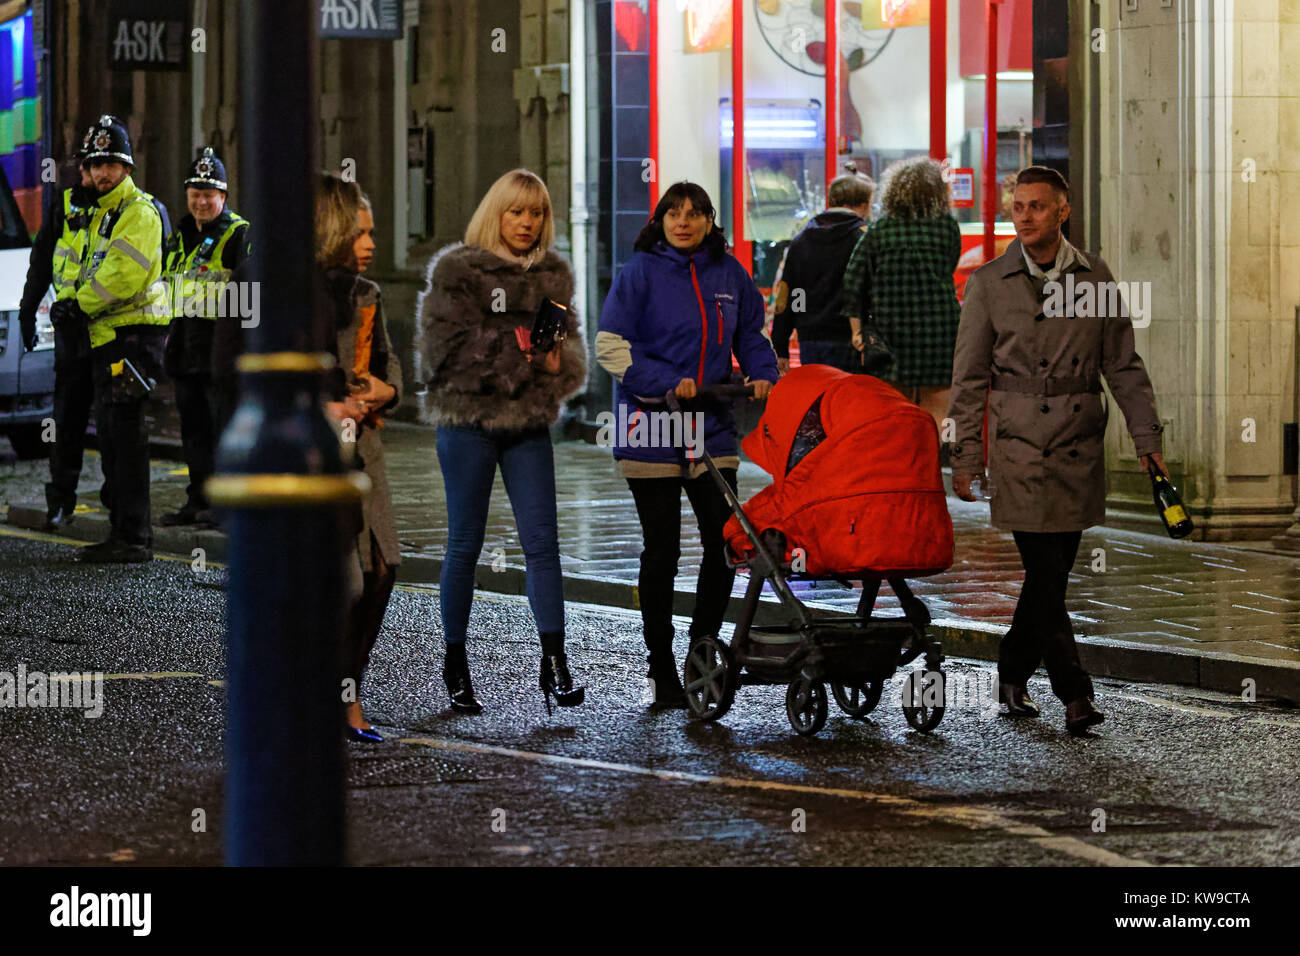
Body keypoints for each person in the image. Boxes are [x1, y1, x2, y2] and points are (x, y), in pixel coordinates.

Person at [947, 165, 1167, 736]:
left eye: (1037, 207)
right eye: (1018, 206)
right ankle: (1074, 692)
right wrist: (966, 454)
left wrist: (1146, 438)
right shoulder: (989, 282)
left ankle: (1013, 668)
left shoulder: (1095, 277)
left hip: (1075, 443)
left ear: (1062, 211)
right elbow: (968, 378)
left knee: (1052, 574)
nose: (1024, 216)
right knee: (1045, 571)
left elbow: (1122, 364)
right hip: (1017, 443)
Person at [595, 181, 778, 708]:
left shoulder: (729, 272)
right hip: (651, 425)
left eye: (695, 213)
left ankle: (703, 650)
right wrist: (662, 381)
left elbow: (750, 333)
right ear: (661, 220)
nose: (684, 221)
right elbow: (611, 346)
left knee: (724, 544)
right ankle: (661, 669)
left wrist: (762, 371)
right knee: (663, 551)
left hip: (711, 423)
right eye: (674, 213)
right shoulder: (639, 272)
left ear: (708, 220)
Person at [418, 168, 587, 715]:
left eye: (536, 213)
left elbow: (570, 356)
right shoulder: (457, 271)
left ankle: (556, 662)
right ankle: (455, 661)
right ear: (497, 213)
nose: (527, 223)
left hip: (528, 425)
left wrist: (558, 363)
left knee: (543, 543)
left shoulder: (553, 277)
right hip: (468, 423)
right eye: (516, 211)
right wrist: (520, 351)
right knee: (464, 543)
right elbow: (443, 355)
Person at [50, 116, 169, 564]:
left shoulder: (138, 212)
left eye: (110, 164)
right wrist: (66, 300)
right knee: (115, 438)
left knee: (125, 438)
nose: (101, 172)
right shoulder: (96, 213)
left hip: (132, 340)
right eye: (95, 163)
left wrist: (77, 305)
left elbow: (121, 276)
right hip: (107, 339)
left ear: (127, 168)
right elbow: (71, 265)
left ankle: (134, 537)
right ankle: (124, 531)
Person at [315, 174, 402, 743]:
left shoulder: (368, 295)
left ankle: (347, 691)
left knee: (383, 570)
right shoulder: (304, 297)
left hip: (366, 446)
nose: (371, 243)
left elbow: (391, 367)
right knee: (343, 584)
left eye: (372, 232)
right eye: (361, 232)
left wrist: (384, 392)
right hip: (323, 456)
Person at [159, 148, 251, 528]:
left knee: (221, 433)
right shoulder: (180, 236)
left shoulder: (237, 234)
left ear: (223, 197)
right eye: (194, 193)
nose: (200, 201)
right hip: (185, 353)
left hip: (220, 355)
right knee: (194, 434)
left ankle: (225, 506)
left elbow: (250, 303)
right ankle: (198, 501)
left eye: (208, 194)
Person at [841, 156, 961, 425]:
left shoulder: (880, 230)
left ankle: (903, 462)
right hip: (940, 330)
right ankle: (933, 461)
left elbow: (853, 281)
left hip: (892, 329)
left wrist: (857, 330)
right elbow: (950, 266)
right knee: (938, 405)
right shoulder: (947, 226)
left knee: (897, 407)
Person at [19, 140, 96, 529]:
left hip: (113, 334)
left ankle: (119, 510)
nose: (91, 173)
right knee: (65, 423)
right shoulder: (65, 205)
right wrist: (28, 312)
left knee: (117, 432)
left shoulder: (133, 207)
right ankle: (61, 501)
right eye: (86, 166)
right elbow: (42, 262)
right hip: (71, 334)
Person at [771, 170, 875, 374]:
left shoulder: (802, 240)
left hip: (810, 340)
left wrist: (781, 345)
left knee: (817, 400)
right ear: (863, 205)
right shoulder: (864, 239)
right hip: (851, 342)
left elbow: (792, 293)